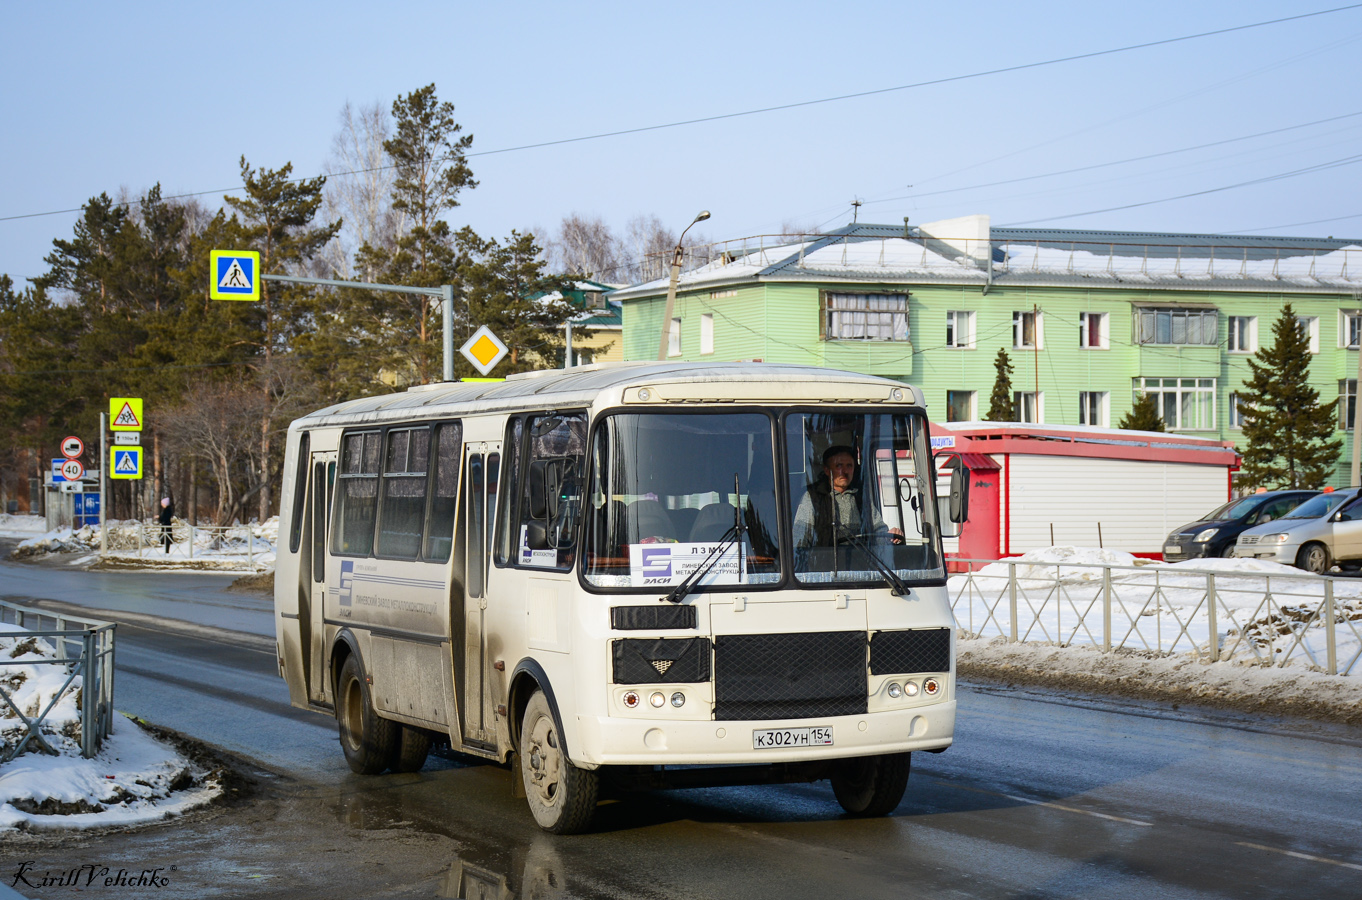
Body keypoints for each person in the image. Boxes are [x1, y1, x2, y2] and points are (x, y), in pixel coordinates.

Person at [793, 445, 903, 550]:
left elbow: (878, 533)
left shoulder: (861, 498)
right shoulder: (813, 498)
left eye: (849, 466)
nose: (845, 472)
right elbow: (799, 540)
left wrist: (889, 537)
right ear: (827, 470)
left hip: (861, 565)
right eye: (839, 466)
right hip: (826, 565)